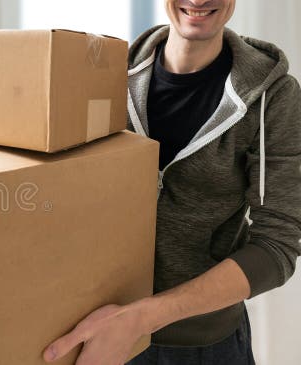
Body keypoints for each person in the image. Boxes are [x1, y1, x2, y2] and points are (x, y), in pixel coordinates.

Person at [42, 1, 301, 364]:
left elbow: (277, 247)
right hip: (102, 335)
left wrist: (141, 318)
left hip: (206, 346)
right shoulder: (109, 77)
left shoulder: (272, 95)